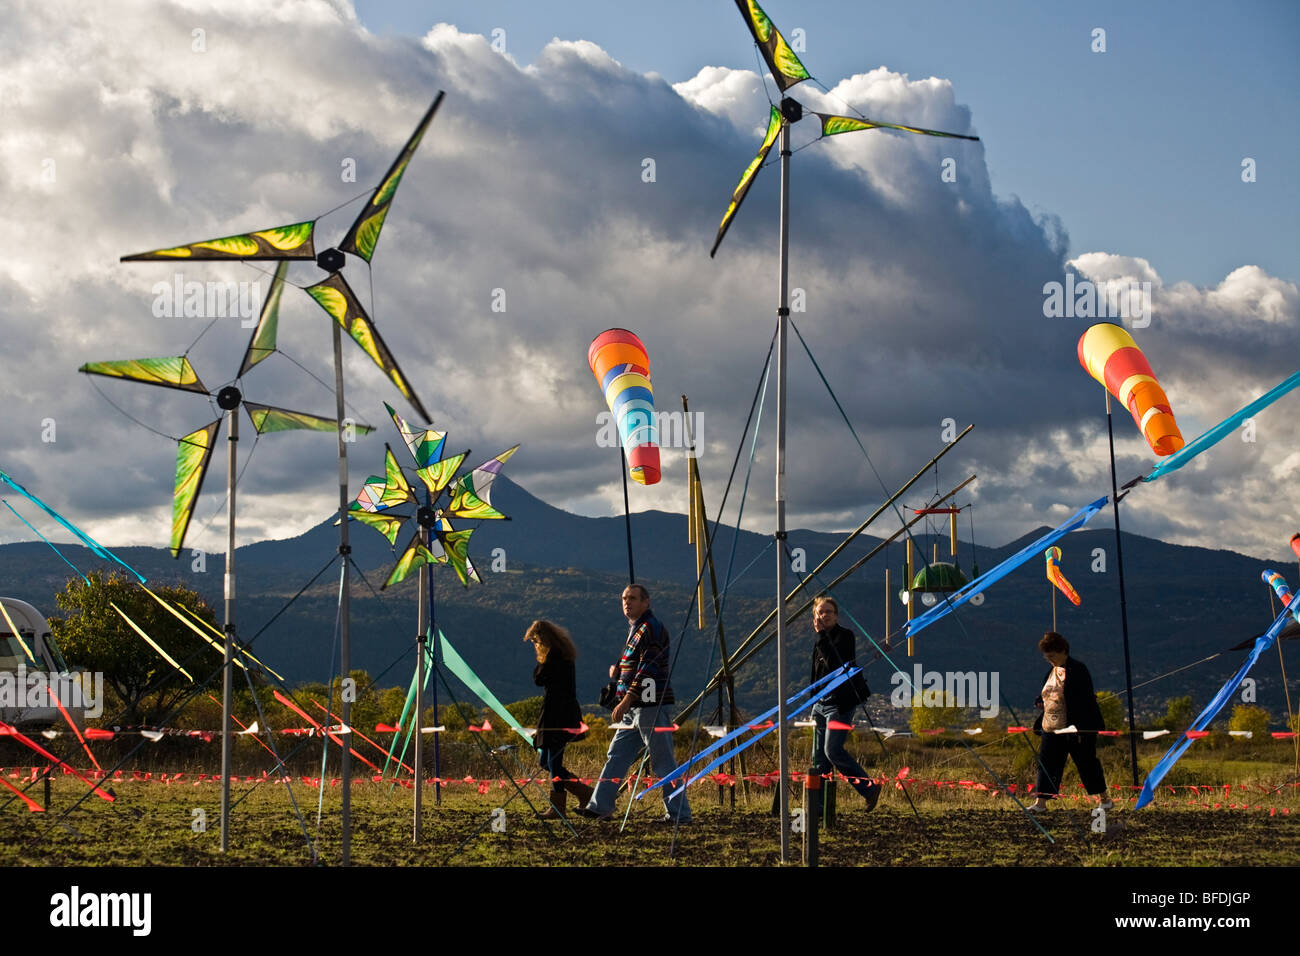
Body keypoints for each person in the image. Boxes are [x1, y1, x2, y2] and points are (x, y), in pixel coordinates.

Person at [579, 584, 692, 823]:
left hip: (649, 704)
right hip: (634, 707)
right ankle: (600, 806)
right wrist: (619, 670)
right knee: (617, 754)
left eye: (632, 598)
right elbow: (635, 662)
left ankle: (680, 814)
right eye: (624, 598)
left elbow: (647, 669)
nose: (626, 602)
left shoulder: (651, 628)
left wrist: (626, 699)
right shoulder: (637, 629)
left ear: (646, 602)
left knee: (663, 760)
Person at [808, 595, 880, 809]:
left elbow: (834, 666)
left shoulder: (845, 636)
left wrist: (821, 636)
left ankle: (868, 788)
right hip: (820, 703)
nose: (824, 615)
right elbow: (817, 673)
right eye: (820, 612)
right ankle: (819, 807)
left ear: (836, 615)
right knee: (819, 757)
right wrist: (812, 699)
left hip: (840, 704)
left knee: (833, 750)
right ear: (815, 616)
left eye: (828, 612)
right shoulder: (819, 641)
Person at [1030, 631, 1111, 811]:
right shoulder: (1051, 671)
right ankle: (1040, 803)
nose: (1050, 660)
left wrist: (1082, 729)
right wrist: (1040, 700)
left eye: (1052, 656)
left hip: (1077, 728)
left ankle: (1105, 799)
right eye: (1047, 657)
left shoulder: (1079, 670)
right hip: (1052, 728)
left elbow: (1084, 700)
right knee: (1047, 764)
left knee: (1087, 764)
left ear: (1062, 651)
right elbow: (1048, 692)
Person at [524, 620, 592, 819]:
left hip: (556, 714)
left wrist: (540, 659)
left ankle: (558, 806)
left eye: (535, 641)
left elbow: (539, 679)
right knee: (547, 761)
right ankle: (584, 793)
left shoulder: (553, 655)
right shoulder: (564, 653)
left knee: (552, 761)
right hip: (562, 712)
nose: (535, 645)